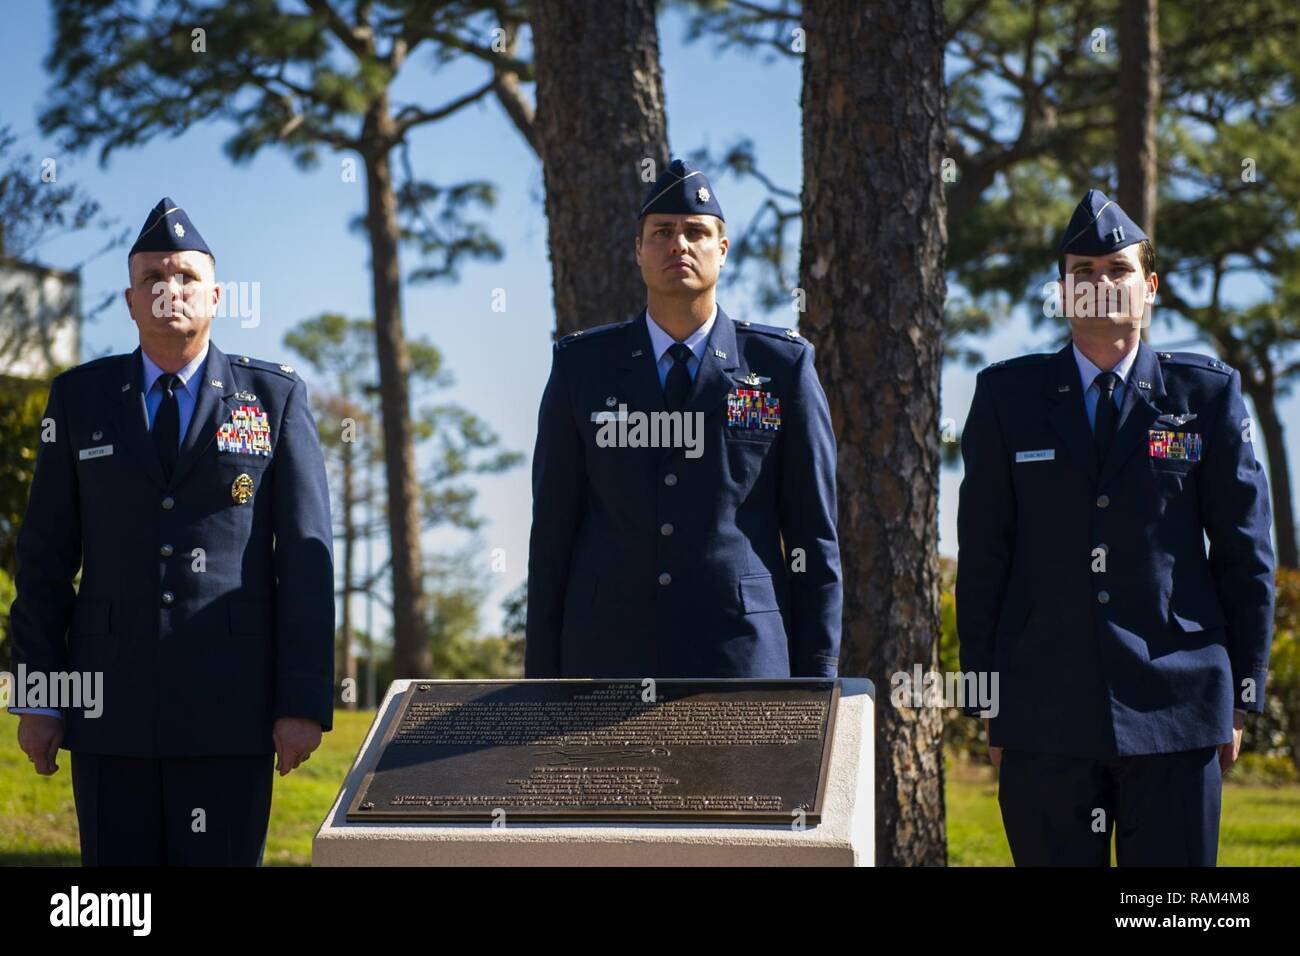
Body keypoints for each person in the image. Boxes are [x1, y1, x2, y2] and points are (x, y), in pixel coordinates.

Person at [9, 197, 336, 866]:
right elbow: (43, 560)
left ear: (216, 296)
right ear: (130, 302)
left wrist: (301, 701)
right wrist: (39, 697)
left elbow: (306, 565)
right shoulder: (79, 400)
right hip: (108, 711)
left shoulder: (273, 398)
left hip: (230, 709)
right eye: (152, 278)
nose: (169, 291)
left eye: (185, 276)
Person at [956, 188, 1275, 866]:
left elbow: (1245, 552)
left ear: (1150, 286)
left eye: (1118, 271)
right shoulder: (1007, 398)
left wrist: (1241, 693)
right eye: (1083, 275)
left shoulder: (1207, 396)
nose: (1100, 286)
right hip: (1043, 708)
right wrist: (987, 699)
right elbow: (984, 556)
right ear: (1063, 292)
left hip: (1179, 704)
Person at [524, 160, 842, 679]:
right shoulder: (582, 367)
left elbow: (813, 534)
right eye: (662, 232)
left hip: (740, 655)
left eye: (696, 232)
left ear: (722, 249)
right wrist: (539, 674)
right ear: (638, 250)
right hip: (605, 657)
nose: (679, 245)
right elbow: (554, 531)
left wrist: (819, 672)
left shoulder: (781, 366)